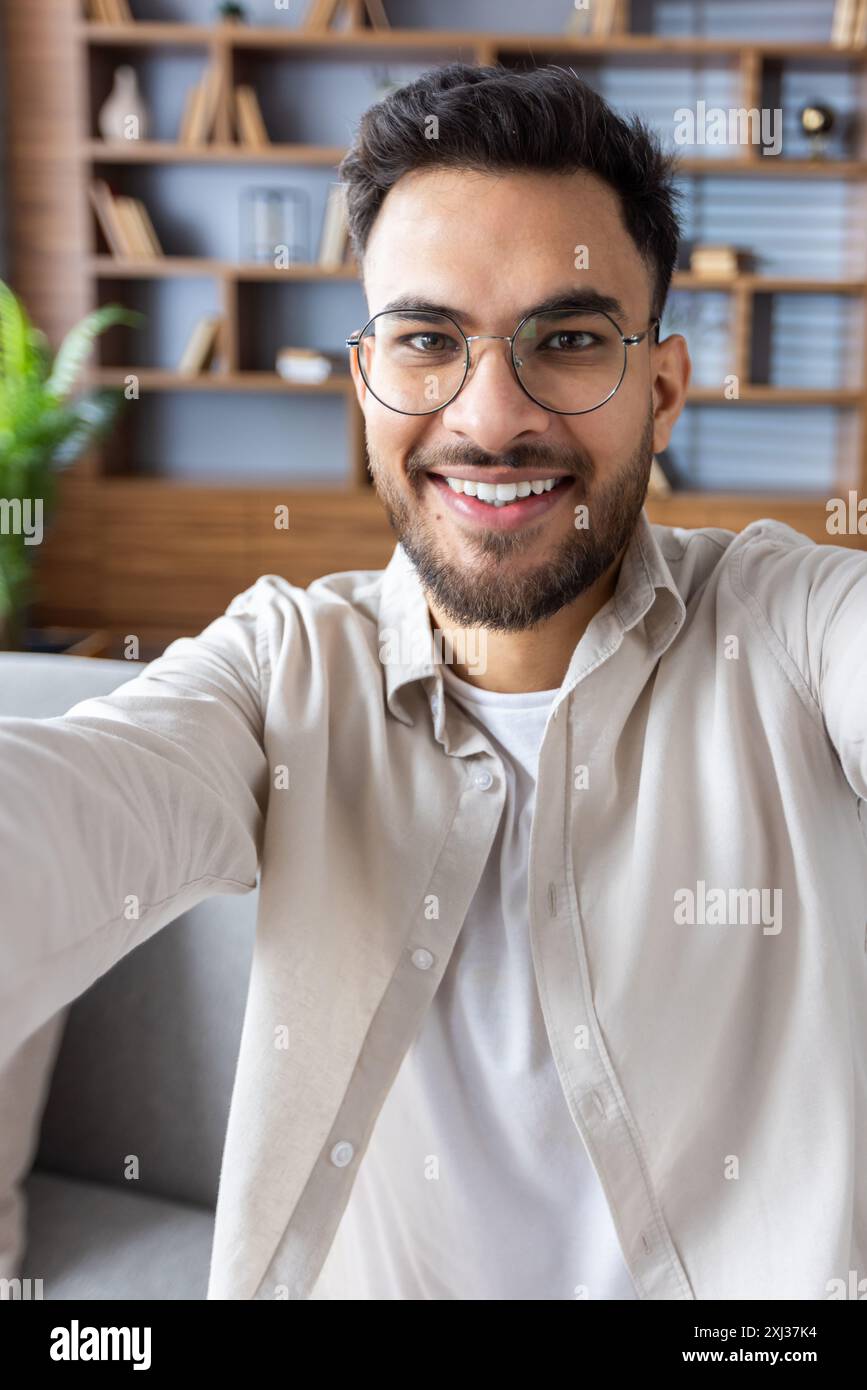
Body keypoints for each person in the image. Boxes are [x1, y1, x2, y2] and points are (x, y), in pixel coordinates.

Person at [2, 63, 865, 1302]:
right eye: (426, 341)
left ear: (663, 388)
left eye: (566, 341)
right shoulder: (281, 669)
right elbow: (71, 810)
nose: (494, 415)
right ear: (366, 384)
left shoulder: (796, 627)